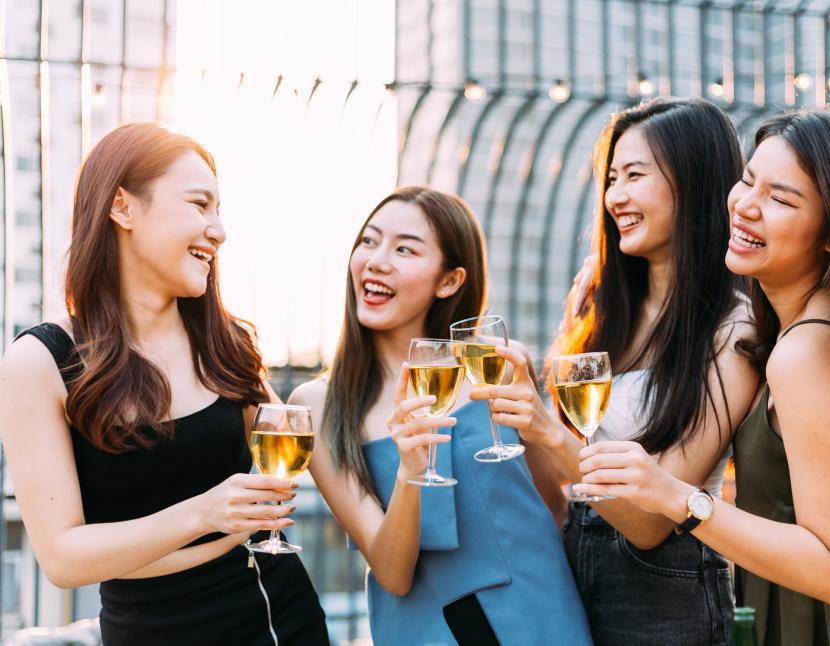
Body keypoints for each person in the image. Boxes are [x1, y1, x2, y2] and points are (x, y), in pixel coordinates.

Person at [577, 109, 830, 644]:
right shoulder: (812, 327)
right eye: (747, 180)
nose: (744, 206)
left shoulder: (805, 353)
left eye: (780, 199)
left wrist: (674, 495)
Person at [0, 123, 329, 645]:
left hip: (281, 620)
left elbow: (291, 450)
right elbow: (62, 557)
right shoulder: (39, 362)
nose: (218, 230)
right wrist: (206, 514)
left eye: (219, 211)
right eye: (199, 205)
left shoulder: (227, 343)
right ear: (122, 207)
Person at [469, 98, 759, 645]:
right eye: (611, 177)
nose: (614, 196)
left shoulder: (733, 330)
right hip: (572, 564)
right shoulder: (600, 301)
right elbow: (562, 477)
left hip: (667, 588)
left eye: (635, 175)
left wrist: (548, 431)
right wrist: (524, 409)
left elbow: (652, 523)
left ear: (693, 182)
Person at [289, 186, 592, 645]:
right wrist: (411, 471)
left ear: (449, 281)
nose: (376, 260)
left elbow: (554, 505)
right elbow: (392, 573)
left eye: (404, 249)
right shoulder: (317, 405)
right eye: (368, 242)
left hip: (540, 615)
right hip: (421, 629)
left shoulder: (498, 367)